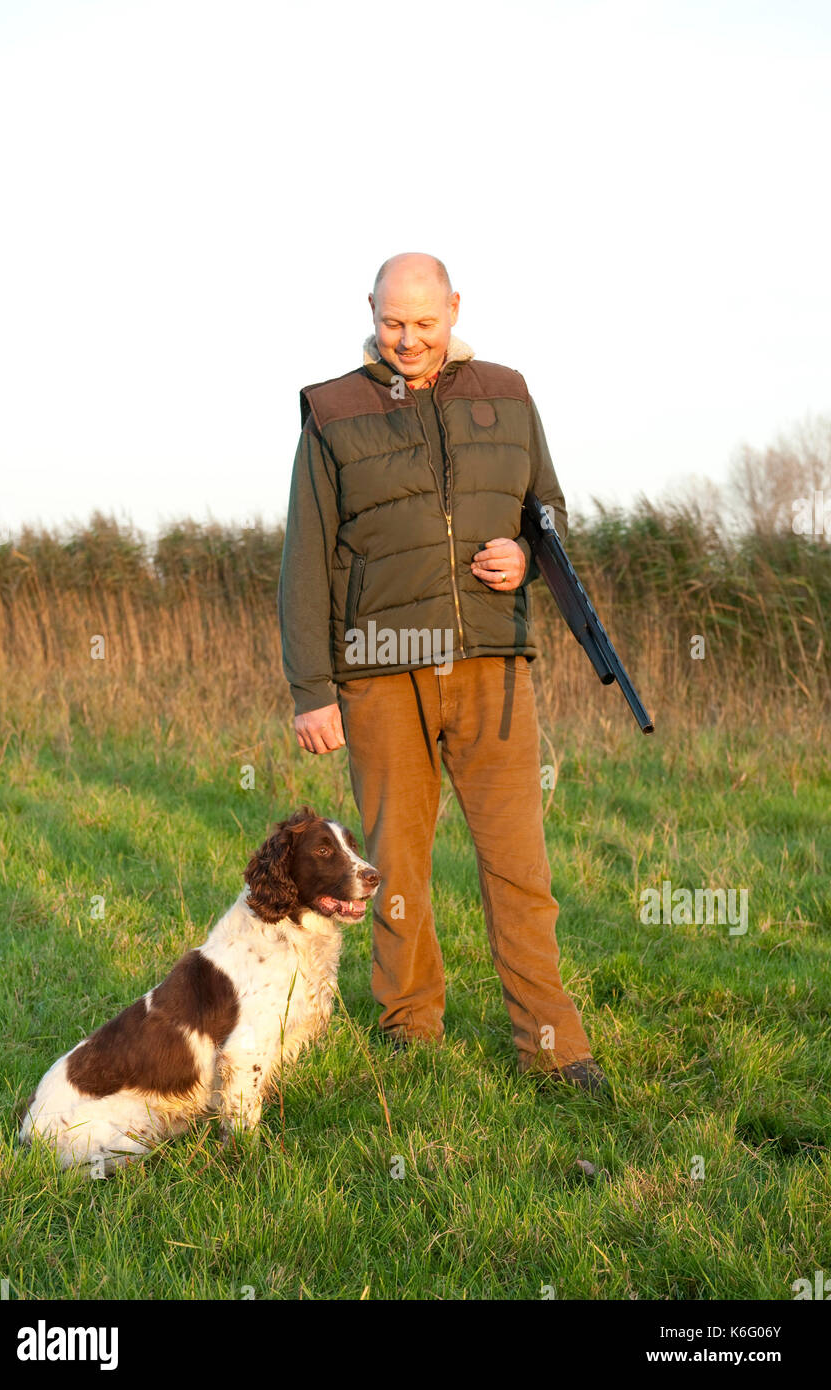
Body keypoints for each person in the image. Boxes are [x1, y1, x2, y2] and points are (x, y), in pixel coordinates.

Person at [277, 252, 609, 1095]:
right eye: (394, 323)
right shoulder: (334, 408)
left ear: (454, 309)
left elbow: (550, 512)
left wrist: (527, 554)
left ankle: (552, 1045)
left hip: (493, 667)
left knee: (520, 868)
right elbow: (305, 557)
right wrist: (312, 690)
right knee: (395, 864)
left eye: (425, 323)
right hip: (380, 673)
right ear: (372, 312)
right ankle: (410, 1027)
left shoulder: (508, 389)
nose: (409, 340)